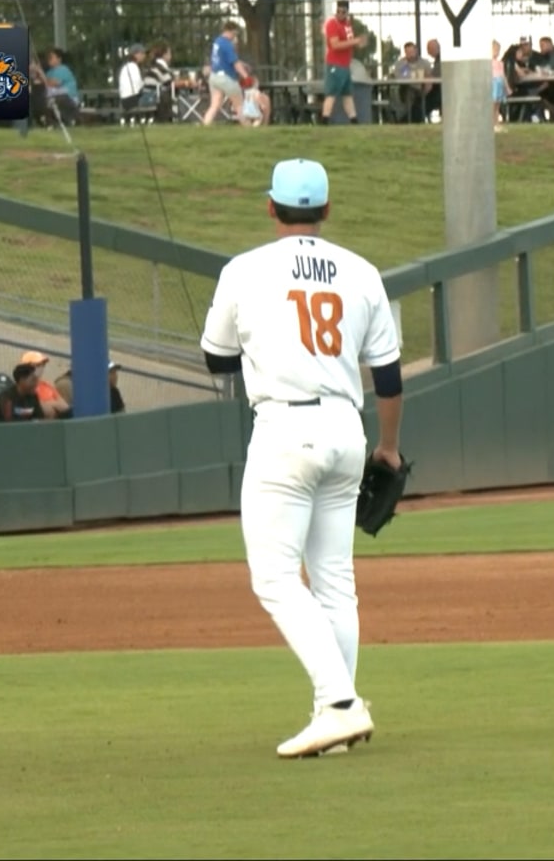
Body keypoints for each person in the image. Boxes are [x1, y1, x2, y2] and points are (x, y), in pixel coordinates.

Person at [200, 158, 403, 759]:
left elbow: (216, 359)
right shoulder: (362, 272)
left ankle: (339, 704)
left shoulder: (243, 270)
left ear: (270, 207)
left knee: (274, 576)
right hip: (347, 426)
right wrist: (388, 447)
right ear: (327, 210)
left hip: (285, 426)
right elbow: (389, 379)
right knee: (335, 582)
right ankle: (333, 719)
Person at [321, 0, 368, 125]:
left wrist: (359, 43)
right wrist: (355, 41)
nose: (340, 14)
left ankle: (354, 120)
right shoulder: (332, 24)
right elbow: (335, 44)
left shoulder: (347, 24)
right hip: (335, 64)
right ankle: (325, 119)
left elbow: (349, 42)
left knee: (347, 94)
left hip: (345, 64)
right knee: (331, 93)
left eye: (343, 12)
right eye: (338, 11)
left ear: (347, 12)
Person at [203, 21, 248, 126]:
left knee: (215, 105)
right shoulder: (227, 44)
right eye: (235, 34)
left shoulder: (217, 42)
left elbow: (222, 59)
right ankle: (248, 126)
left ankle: (205, 125)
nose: (235, 37)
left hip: (214, 77)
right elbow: (235, 63)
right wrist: (246, 76)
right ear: (231, 31)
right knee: (239, 105)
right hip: (226, 78)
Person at [142, 41, 176, 123]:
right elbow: (168, 81)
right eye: (169, 53)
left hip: (149, 94)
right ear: (164, 55)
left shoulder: (154, 65)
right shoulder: (159, 67)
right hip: (154, 96)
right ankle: (169, 119)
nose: (171, 56)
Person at [117, 43, 147, 126]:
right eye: (142, 53)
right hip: (133, 100)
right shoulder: (134, 67)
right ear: (136, 55)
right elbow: (138, 86)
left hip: (123, 100)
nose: (144, 56)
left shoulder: (125, 67)